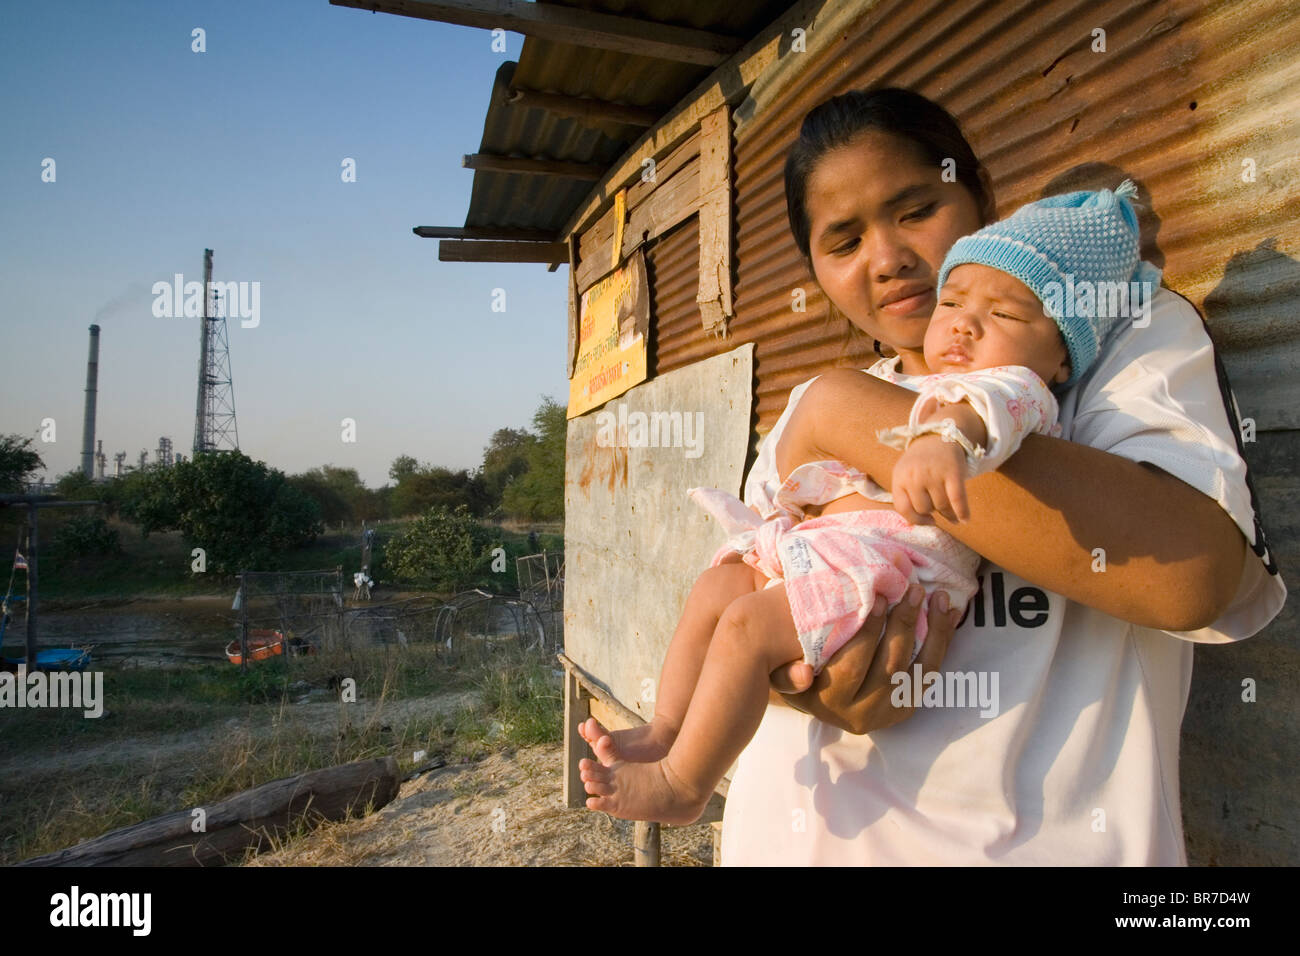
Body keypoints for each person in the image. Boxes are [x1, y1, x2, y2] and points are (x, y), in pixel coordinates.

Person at [608, 87, 1282, 865]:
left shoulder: (1101, 352)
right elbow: (757, 600)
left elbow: (1188, 577)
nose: (887, 257)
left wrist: (844, 413)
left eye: (915, 209)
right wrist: (799, 677)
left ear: (981, 202)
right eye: (843, 240)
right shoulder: (809, 404)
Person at [579, 183, 1159, 825]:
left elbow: (984, 416)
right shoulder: (881, 387)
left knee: (745, 629)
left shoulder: (1012, 389)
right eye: (956, 301)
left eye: (1008, 315)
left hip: (885, 577)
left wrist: (943, 443)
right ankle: (665, 728)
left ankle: (685, 785)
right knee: (716, 592)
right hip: (826, 555)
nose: (967, 323)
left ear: (1058, 358)